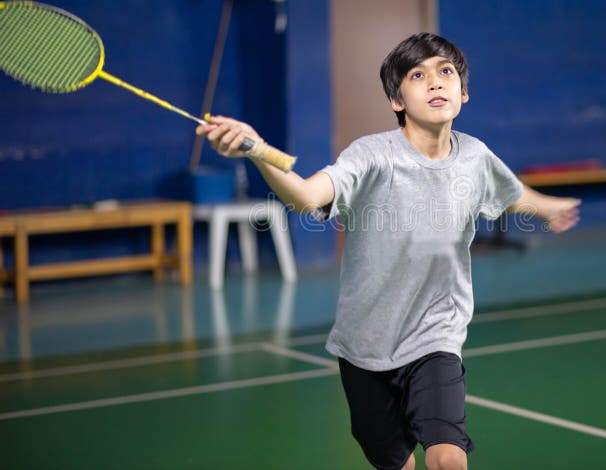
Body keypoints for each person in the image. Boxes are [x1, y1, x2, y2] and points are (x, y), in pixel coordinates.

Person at [197, 33, 580, 470]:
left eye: (446, 72)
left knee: (447, 457)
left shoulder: (475, 156)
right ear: (397, 99)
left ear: (464, 92)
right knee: (396, 463)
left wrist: (548, 207)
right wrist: (257, 151)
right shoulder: (372, 156)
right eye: (418, 75)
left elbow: (510, 191)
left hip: (437, 333)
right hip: (365, 343)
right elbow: (305, 197)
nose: (436, 82)